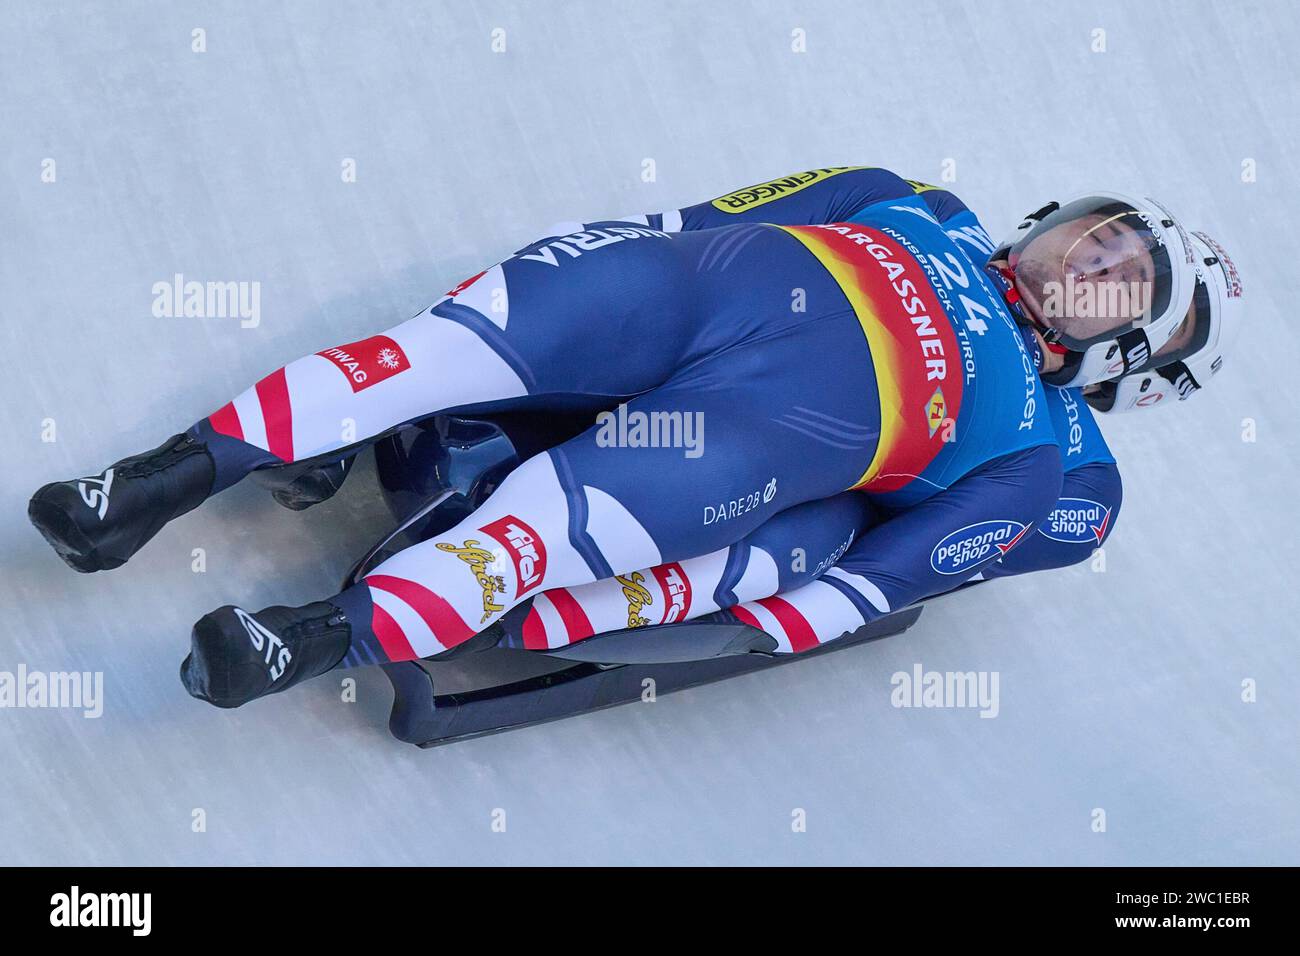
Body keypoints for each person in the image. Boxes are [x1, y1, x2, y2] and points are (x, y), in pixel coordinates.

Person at [26, 168, 1212, 709]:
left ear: (1123, 355)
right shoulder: (899, 195)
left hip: (748, 437)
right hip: (687, 296)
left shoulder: (1035, 454)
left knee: (545, 528)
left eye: (1121, 280)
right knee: (446, 346)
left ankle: (307, 641)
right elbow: (686, 221)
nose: (1093, 259)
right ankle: (151, 481)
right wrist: (567, 264)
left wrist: (659, 612)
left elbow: (867, 577)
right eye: (1100, 235)